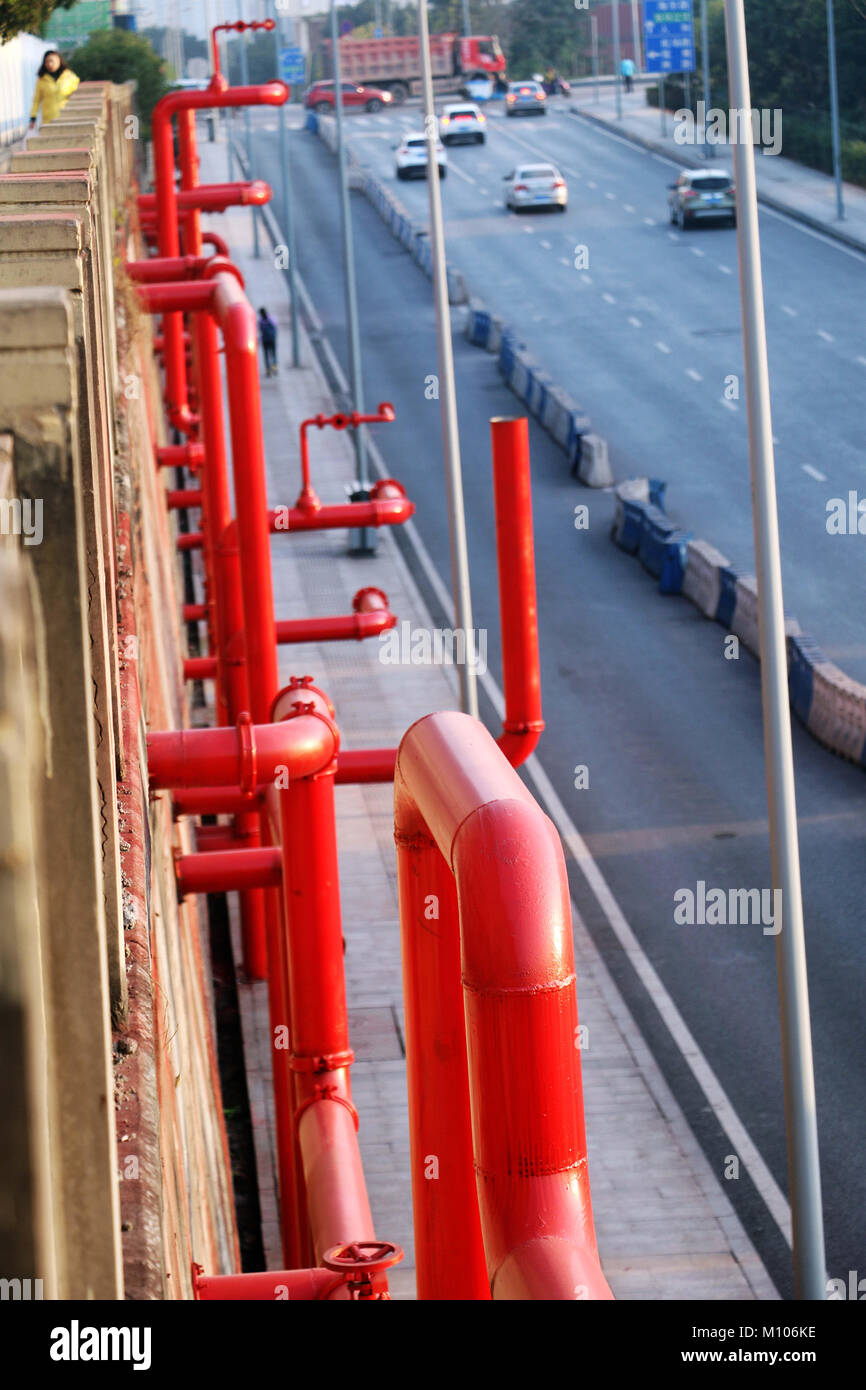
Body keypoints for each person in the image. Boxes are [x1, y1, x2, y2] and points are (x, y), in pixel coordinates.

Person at [29, 50, 80, 129]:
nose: (50, 64)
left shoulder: (70, 77)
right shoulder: (42, 79)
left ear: (59, 60)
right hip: (48, 120)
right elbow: (36, 100)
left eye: (52, 61)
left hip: (67, 118)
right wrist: (33, 118)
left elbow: (78, 95)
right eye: (47, 62)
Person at [258, 307, 278, 377]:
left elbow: (260, 330)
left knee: (266, 355)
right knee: (273, 354)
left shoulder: (261, 321)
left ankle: (268, 370)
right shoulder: (271, 318)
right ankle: (275, 368)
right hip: (272, 339)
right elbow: (275, 326)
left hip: (265, 340)